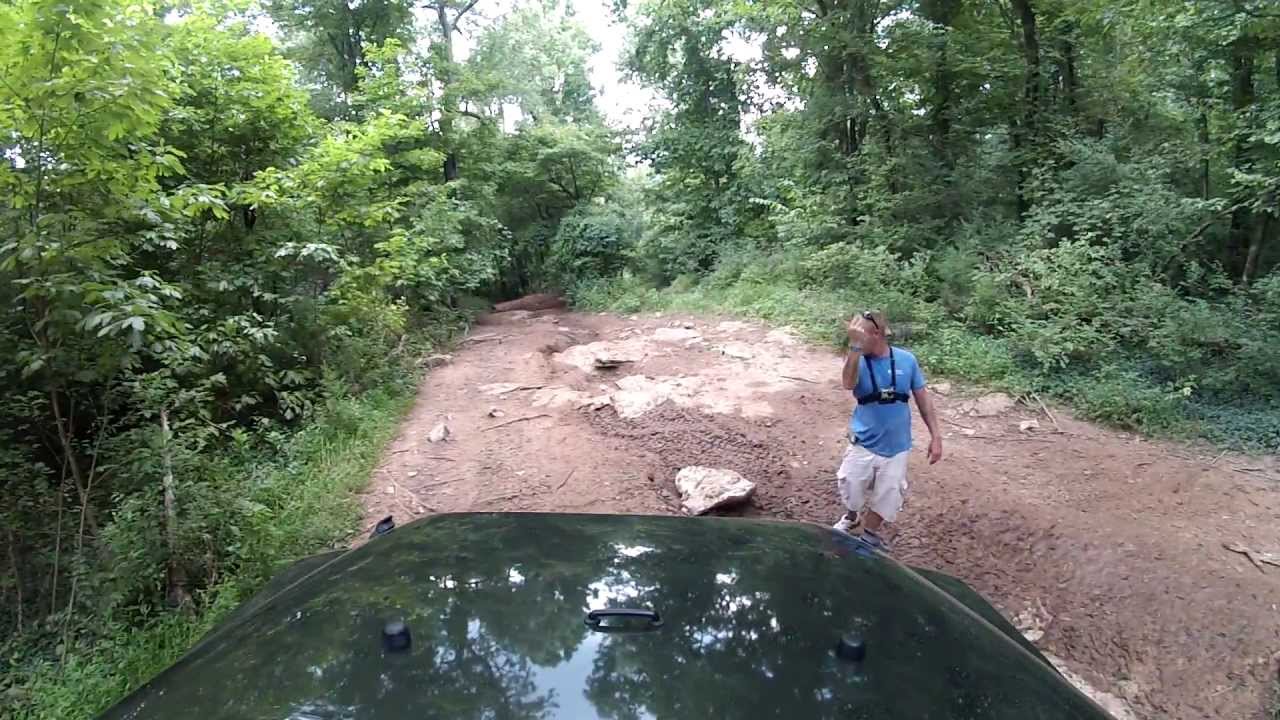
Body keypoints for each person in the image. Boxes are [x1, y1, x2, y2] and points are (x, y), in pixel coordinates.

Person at [834, 310, 943, 549]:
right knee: (851, 486)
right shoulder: (858, 359)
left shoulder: (907, 360)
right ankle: (851, 516)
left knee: (889, 494)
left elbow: (923, 399)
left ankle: (869, 532)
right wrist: (854, 347)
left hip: (897, 445)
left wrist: (936, 437)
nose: (858, 339)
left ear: (878, 334)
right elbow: (847, 384)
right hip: (863, 440)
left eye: (861, 335)